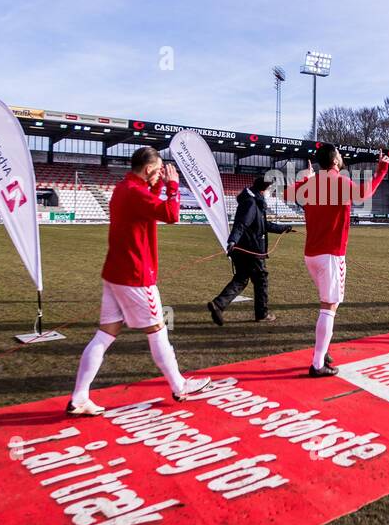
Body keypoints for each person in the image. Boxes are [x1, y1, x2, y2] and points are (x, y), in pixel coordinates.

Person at [66, 146, 212, 416]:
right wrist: (173, 187)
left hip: (115, 273)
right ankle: (179, 385)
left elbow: (148, 205)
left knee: (105, 334)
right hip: (136, 276)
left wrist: (157, 186)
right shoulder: (134, 193)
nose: (159, 175)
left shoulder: (124, 189)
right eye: (156, 171)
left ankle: (79, 396)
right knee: (158, 330)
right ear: (148, 170)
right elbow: (171, 215)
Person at [286, 144, 389, 377]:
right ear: (334, 161)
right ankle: (317, 363)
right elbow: (364, 194)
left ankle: (323, 352)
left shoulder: (312, 183)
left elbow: (286, 193)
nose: (342, 159)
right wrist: (381, 171)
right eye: (340, 156)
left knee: (328, 304)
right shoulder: (340, 181)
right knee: (329, 307)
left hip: (311, 254)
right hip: (331, 255)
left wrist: (307, 179)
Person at [208, 175, 295, 324]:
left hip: (243, 250)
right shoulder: (251, 203)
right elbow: (241, 224)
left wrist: (283, 228)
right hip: (252, 250)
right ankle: (262, 314)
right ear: (264, 189)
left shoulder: (254, 202)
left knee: (241, 279)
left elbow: (263, 225)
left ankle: (218, 304)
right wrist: (232, 240)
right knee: (261, 279)